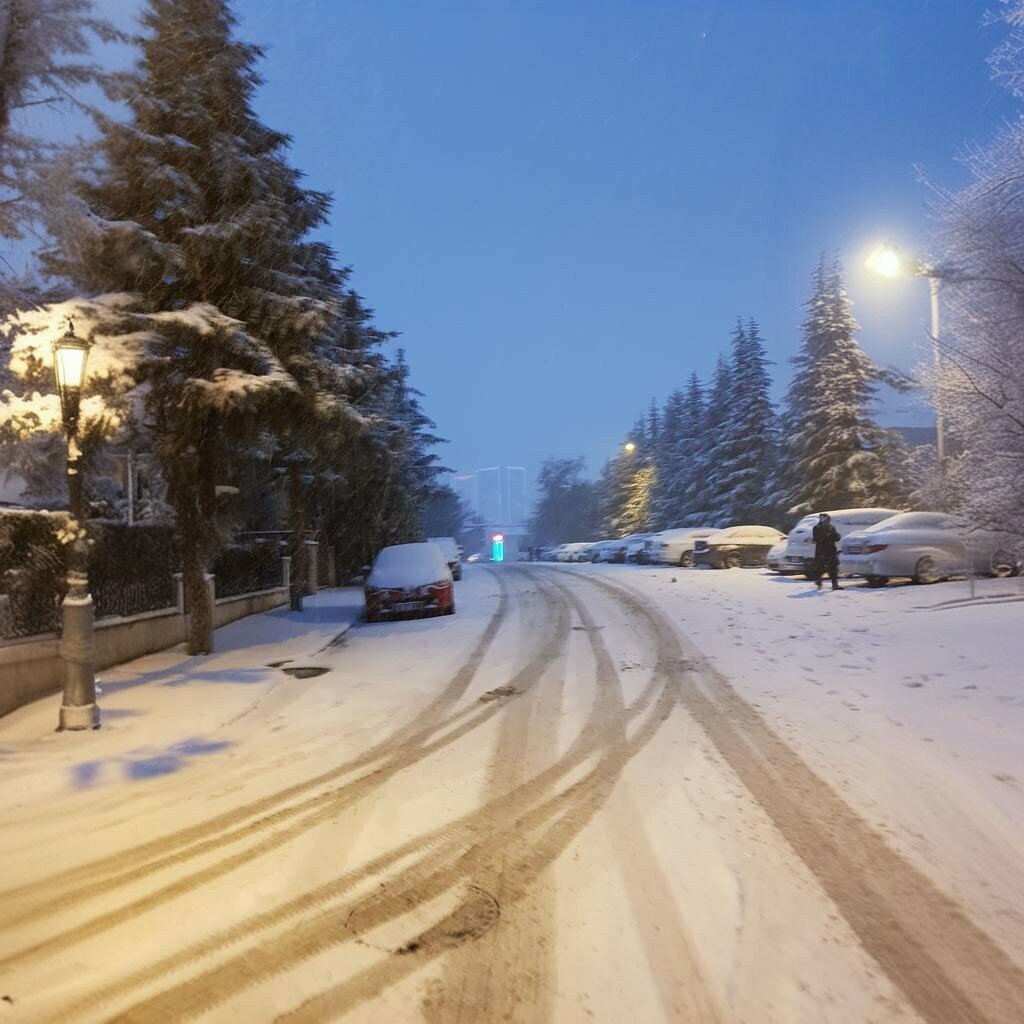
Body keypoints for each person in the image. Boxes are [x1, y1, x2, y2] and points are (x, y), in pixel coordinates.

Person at [811, 512, 842, 591]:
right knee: (821, 568)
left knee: (833, 568)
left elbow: (836, 537)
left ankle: (834, 585)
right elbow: (817, 539)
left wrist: (837, 536)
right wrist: (827, 534)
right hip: (822, 551)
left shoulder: (831, 527)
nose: (826, 520)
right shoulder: (817, 528)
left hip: (830, 550)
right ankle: (819, 582)